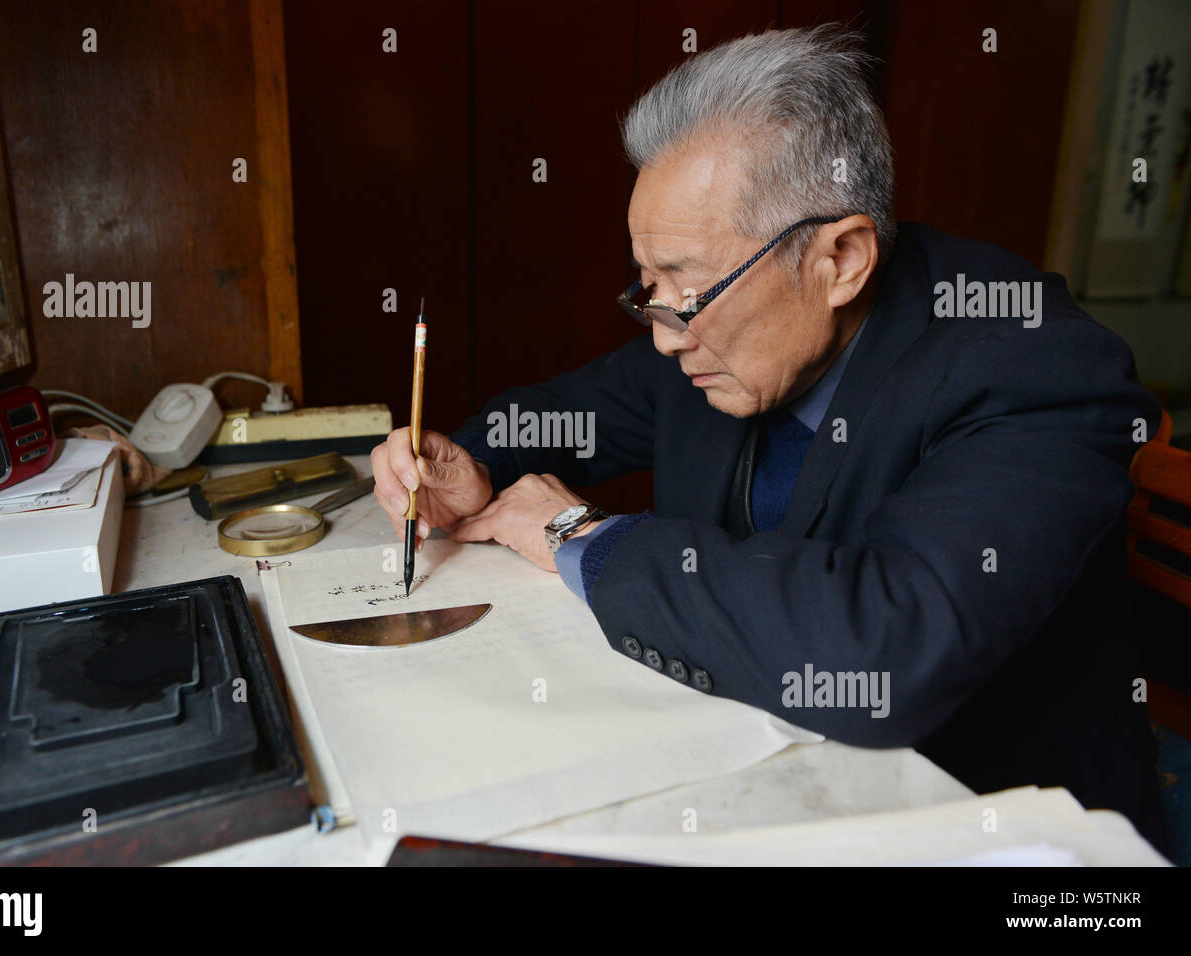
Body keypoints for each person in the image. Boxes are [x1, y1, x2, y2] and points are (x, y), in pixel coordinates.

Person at [370, 26, 1167, 849]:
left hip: (982, 825)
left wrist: (582, 536)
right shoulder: (711, 336)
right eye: (648, 283)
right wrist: (466, 460)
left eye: (685, 284)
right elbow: (572, 411)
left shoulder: (1029, 361)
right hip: (760, 770)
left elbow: (886, 655)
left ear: (842, 258)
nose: (663, 334)